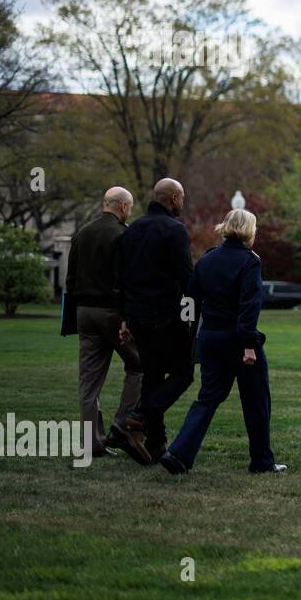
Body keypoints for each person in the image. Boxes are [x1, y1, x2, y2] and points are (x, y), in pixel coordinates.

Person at [159, 209, 284, 475]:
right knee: (256, 402)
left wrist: (190, 333)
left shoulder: (207, 259)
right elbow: (249, 307)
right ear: (248, 231)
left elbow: (190, 299)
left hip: (210, 339)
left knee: (207, 398)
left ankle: (179, 453)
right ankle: (262, 461)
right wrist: (250, 345)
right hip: (239, 341)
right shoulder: (250, 262)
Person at [111, 178, 195, 465]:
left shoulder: (130, 231)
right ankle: (140, 417)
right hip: (166, 315)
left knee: (153, 376)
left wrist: (125, 318)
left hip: (137, 316)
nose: (183, 203)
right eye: (181, 198)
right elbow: (187, 277)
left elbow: (119, 280)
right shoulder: (174, 231)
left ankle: (156, 443)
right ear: (173, 198)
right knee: (184, 373)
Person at [63, 186, 142, 457]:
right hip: (112, 313)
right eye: (129, 206)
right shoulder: (123, 235)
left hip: (84, 312)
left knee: (89, 381)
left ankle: (91, 443)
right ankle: (121, 425)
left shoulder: (82, 233)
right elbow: (126, 282)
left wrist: (72, 317)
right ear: (122, 206)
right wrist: (126, 318)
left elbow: (70, 280)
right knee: (138, 366)